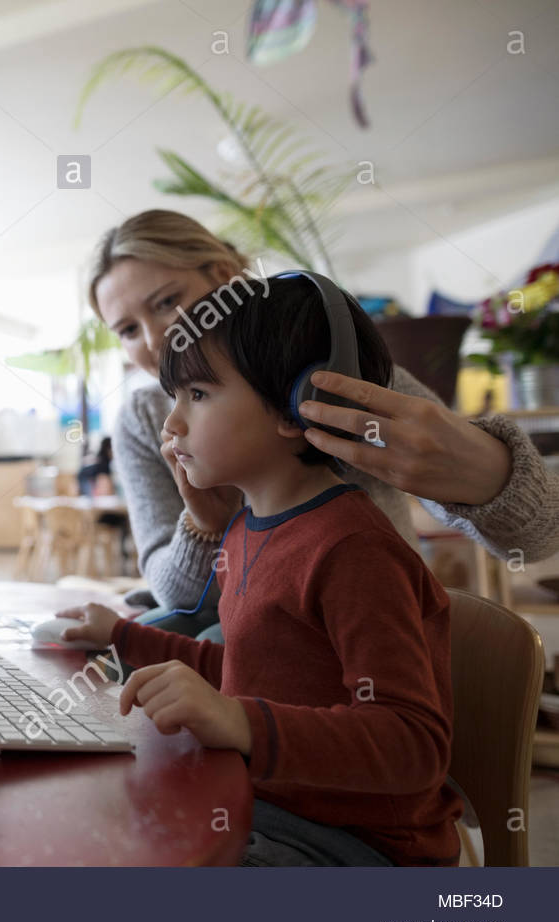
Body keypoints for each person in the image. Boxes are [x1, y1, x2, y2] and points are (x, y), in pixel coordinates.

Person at [59, 276, 461, 866]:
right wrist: (123, 637)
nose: (171, 425)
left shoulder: (353, 549)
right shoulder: (248, 528)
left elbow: (414, 743)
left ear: (300, 406)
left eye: (197, 393)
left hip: (355, 844)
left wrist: (235, 719)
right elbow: (261, 675)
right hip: (271, 807)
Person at [91, 210, 559, 639]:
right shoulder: (145, 419)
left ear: (223, 277)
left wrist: (489, 474)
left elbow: (540, 537)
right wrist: (204, 528)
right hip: (233, 647)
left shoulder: (344, 381)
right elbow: (175, 591)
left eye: (166, 301)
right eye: (128, 330)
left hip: (361, 639)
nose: (156, 339)